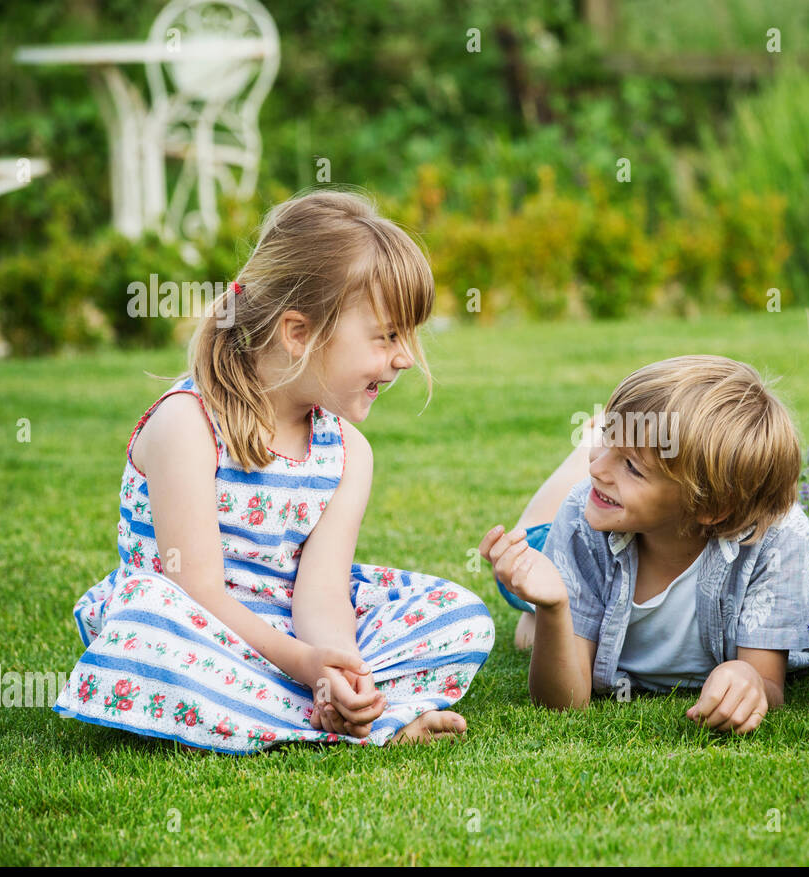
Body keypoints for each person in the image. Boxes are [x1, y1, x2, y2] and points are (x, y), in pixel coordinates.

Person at [53, 190, 494, 754]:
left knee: (460, 617)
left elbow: (324, 593)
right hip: (201, 636)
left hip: (294, 643)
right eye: (386, 336)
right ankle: (374, 719)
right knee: (147, 627)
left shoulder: (347, 453)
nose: (405, 357)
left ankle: (326, 713)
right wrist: (306, 665)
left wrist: (336, 671)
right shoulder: (188, 426)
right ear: (298, 332)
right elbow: (196, 589)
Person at [480, 355, 809, 735]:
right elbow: (562, 704)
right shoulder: (581, 512)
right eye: (606, 439)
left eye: (632, 466)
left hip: (610, 516)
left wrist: (749, 678)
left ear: (711, 508)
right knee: (528, 585)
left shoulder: (776, 539)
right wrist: (554, 606)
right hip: (586, 528)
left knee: (532, 635)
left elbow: (768, 684)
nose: (598, 467)